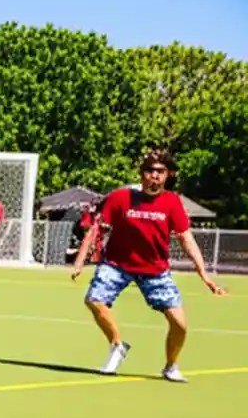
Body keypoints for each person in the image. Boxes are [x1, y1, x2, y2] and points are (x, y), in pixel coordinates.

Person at [71, 149, 227, 381]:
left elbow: (186, 239)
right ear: (142, 174)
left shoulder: (172, 203)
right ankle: (117, 345)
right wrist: (80, 260)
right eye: (150, 171)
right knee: (94, 300)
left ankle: (171, 366)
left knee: (180, 324)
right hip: (117, 264)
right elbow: (96, 229)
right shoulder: (121, 198)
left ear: (167, 175)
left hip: (155, 271)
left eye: (160, 172)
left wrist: (204, 275)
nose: (154, 176)